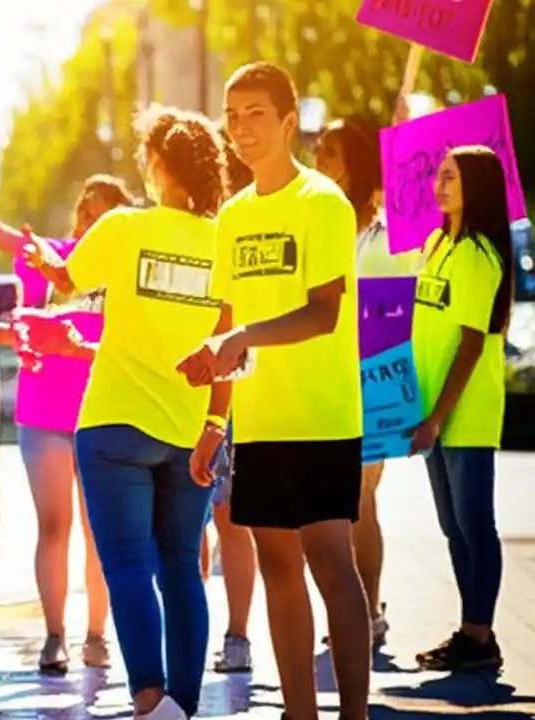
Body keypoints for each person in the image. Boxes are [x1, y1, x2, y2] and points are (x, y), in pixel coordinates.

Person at [179, 62, 371, 720]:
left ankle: (354, 713)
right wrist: (213, 423)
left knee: (329, 562)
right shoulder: (232, 217)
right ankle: (299, 712)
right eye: (232, 116)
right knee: (277, 567)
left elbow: (324, 312)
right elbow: (227, 324)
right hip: (256, 424)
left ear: (289, 122)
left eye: (256, 113)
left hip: (321, 415)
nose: (240, 127)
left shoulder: (323, 202)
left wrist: (241, 340)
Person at [23, 105, 227, 720]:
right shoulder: (226, 242)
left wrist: (40, 257)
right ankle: (181, 708)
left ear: (158, 165)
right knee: (182, 569)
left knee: (130, 568)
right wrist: (216, 427)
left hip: (114, 423)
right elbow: (230, 341)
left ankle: (147, 699)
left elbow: (66, 280)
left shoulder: (120, 227)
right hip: (191, 426)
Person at [0, 148, 125, 673]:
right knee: (54, 526)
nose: (91, 222)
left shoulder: (127, 270)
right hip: (44, 414)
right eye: (85, 212)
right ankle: (54, 636)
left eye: (105, 214)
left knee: (99, 529)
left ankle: (96, 634)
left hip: (103, 409)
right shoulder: (46, 256)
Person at [312, 116, 421, 650]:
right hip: (322, 378)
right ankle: (349, 607)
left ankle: (367, 610)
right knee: (334, 503)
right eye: (317, 150)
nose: (319, 161)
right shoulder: (315, 222)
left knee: (357, 497)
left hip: (373, 379)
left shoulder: (388, 230)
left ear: (353, 162)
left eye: (330, 152)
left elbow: (411, 285)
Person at [408, 145, 512, 672]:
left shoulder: (479, 254)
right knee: (452, 524)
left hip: (463, 413)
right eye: (438, 176)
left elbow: (471, 345)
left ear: (476, 185)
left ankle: (480, 633)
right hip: (431, 409)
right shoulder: (436, 243)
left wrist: (437, 417)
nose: (439, 185)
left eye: (450, 176)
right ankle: (471, 629)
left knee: (474, 522)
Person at [207, 128, 258, 675]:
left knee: (229, 521)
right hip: (185, 391)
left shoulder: (244, 230)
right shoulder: (195, 227)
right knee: (186, 529)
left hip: (238, 395)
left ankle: (238, 634)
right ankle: (191, 627)